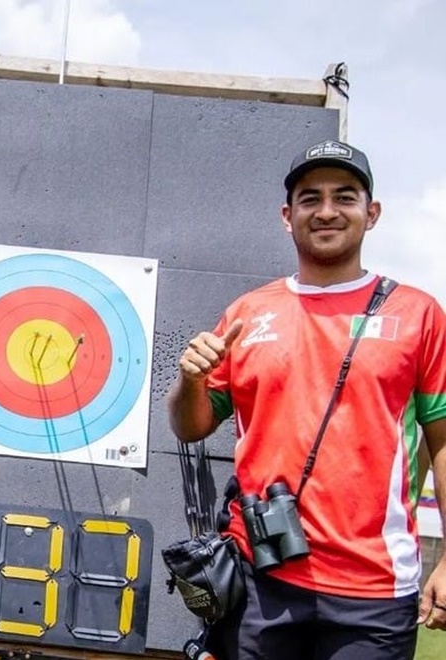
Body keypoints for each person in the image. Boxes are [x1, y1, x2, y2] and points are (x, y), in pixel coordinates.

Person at [167, 139, 446, 659]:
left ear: (372, 212)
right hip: (260, 580)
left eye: (344, 196)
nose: (326, 211)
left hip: (375, 589)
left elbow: (443, 440)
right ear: (286, 215)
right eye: (309, 197)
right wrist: (190, 380)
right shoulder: (248, 312)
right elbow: (191, 426)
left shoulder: (420, 314)